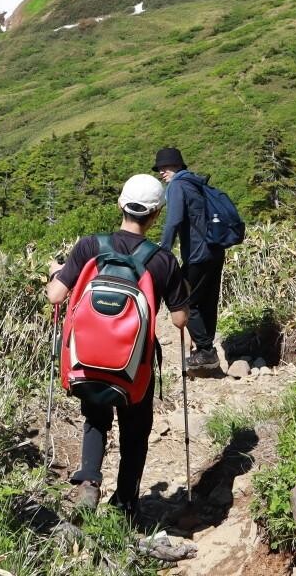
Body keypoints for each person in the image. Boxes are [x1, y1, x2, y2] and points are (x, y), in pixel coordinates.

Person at [47, 173, 188, 520]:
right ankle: (125, 502)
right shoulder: (163, 260)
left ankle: (89, 483)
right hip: (133, 363)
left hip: (89, 359)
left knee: (95, 416)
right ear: (156, 215)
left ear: (120, 204)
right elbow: (179, 320)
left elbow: (56, 296)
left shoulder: (89, 246)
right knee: (137, 428)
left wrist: (56, 272)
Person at [153, 146, 222, 375]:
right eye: (160, 168)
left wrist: (162, 251)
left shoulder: (177, 186)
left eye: (165, 167)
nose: (162, 172)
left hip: (197, 255)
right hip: (215, 250)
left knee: (184, 299)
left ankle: (206, 350)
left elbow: (173, 221)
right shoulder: (195, 182)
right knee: (207, 300)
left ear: (177, 166)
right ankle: (206, 353)